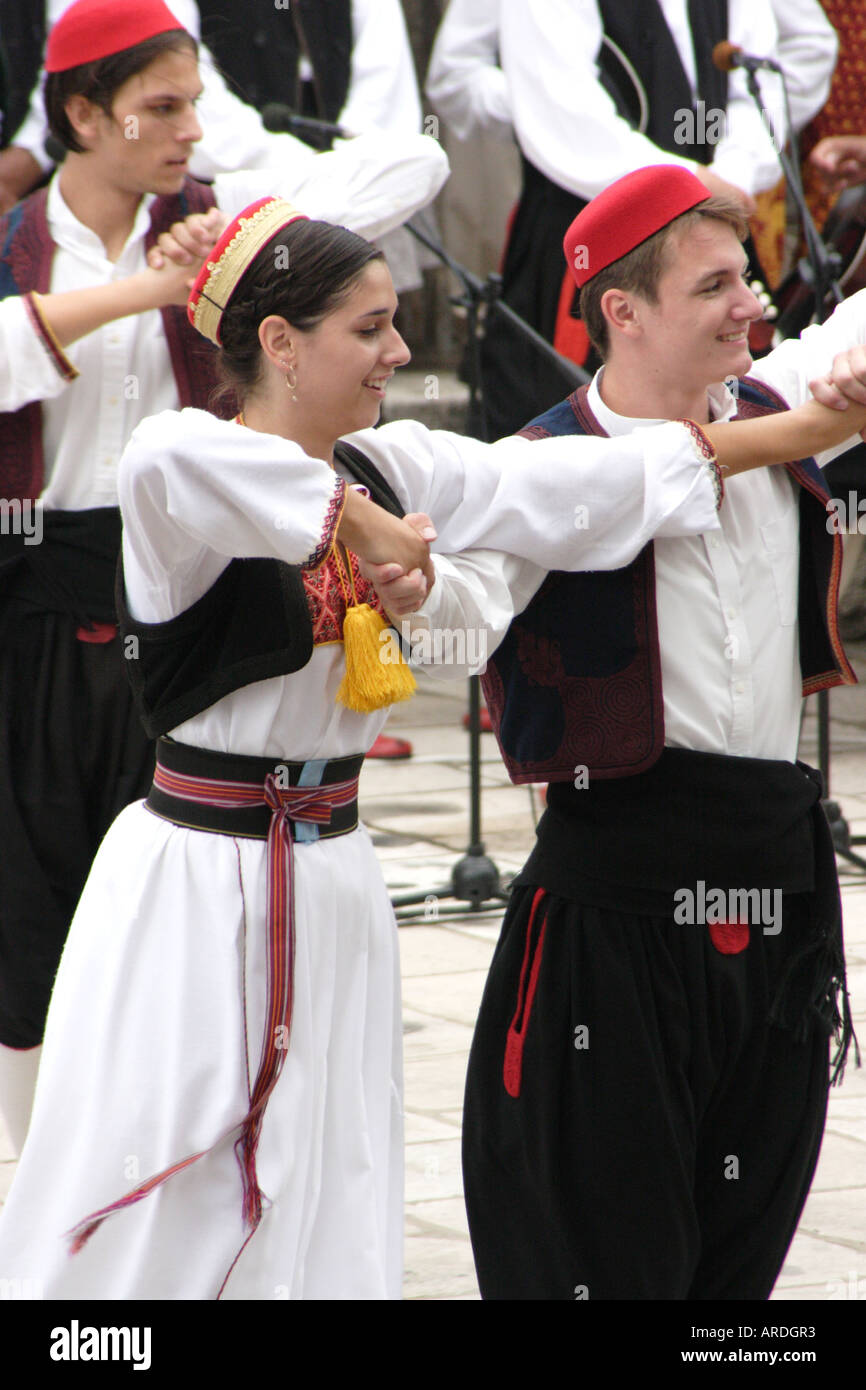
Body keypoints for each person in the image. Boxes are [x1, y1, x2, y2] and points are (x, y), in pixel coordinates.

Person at [1, 188, 860, 1300]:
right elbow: (191, 467)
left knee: (328, 1155)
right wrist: (358, 527)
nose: (397, 348)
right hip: (196, 873)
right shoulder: (184, 464)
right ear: (277, 341)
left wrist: (805, 429)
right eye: (369, 328)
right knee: (166, 1154)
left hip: (332, 869)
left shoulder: (396, 460)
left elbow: (567, 484)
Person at [371, 165, 866, 1301]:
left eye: (746, 278)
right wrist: (411, 593)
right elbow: (457, 616)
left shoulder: (779, 404)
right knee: (602, 1244)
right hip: (615, 899)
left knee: (738, 1252)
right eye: (713, 286)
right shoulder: (535, 468)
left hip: (771, 890)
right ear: (622, 312)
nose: (750, 302)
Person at [0, 0, 448, 1160]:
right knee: (30, 879)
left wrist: (241, 222)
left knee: (158, 863)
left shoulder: (222, 231)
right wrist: (149, 291)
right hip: (42, 589)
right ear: (81, 115)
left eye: (196, 103)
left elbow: (418, 157)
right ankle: (38, 1159)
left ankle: (169, 1140)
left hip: (195, 594)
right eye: (162, 106)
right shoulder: (17, 240)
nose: (189, 129)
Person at [427, 0, 812, 439]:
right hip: (589, 229)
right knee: (573, 437)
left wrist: (735, 172)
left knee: (728, 412)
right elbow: (561, 101)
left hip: (712, 214)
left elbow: (756, 81)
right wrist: (693, 184)